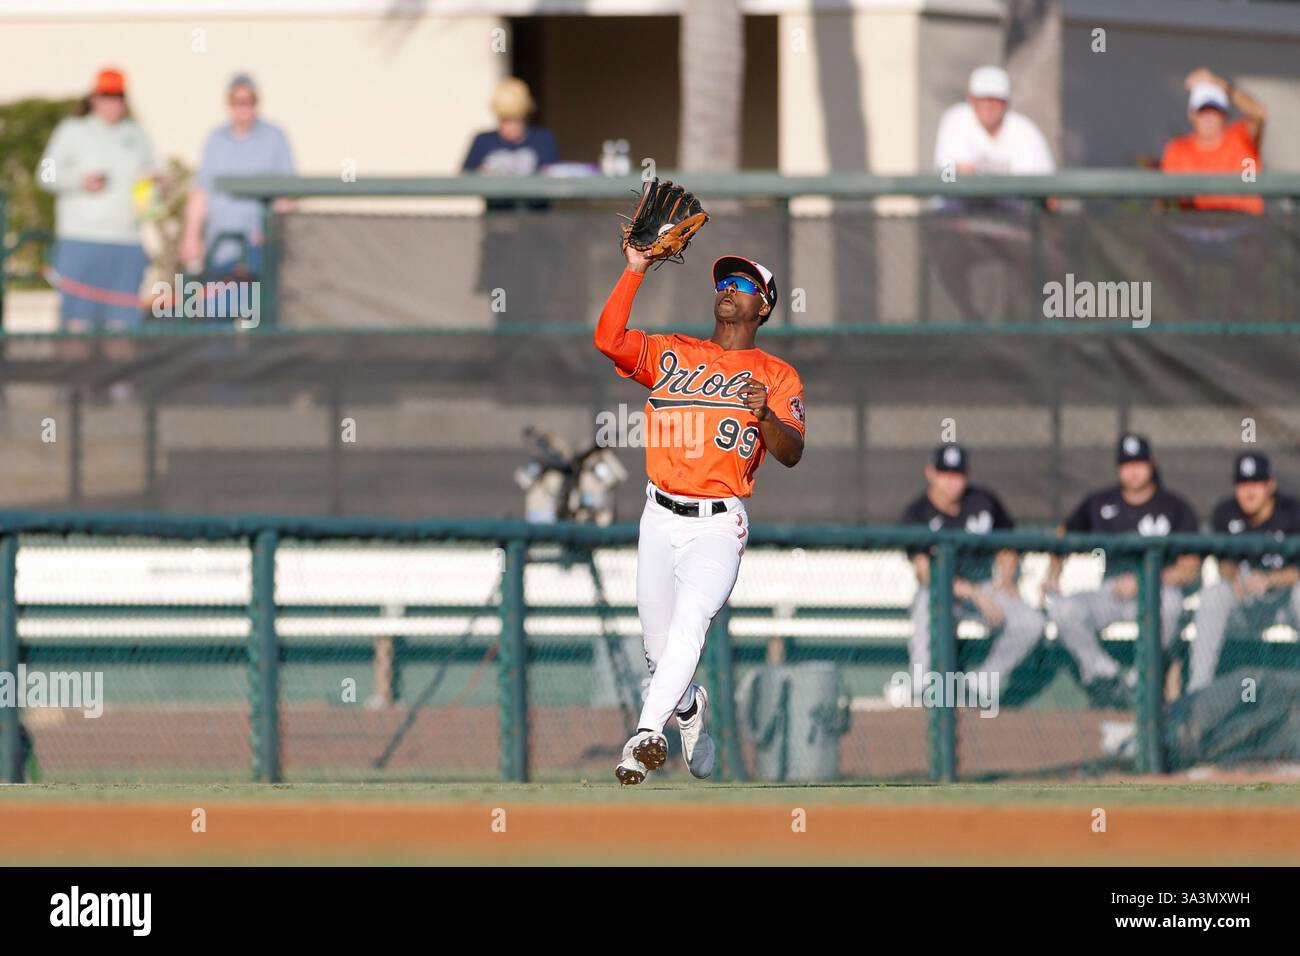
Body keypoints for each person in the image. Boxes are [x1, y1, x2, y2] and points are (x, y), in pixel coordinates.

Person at [593, 249, 805, 785]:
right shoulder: (673, 353)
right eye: (726, 280)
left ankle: (645, 733)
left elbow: (792, 451)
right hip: (657, 515)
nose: (730, 287)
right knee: (657, 647)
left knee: (690, 626)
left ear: (764, 308)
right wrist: (636, 269)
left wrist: (765, 418)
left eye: (745, 284)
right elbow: (608, 339)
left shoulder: (777, 376)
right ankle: (688, 708)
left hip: (717, 521)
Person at [1046, 435, 1201, 708]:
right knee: (1063, 608)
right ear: (1118, 468)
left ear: (1152, 464)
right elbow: (1063, 535)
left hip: (1158, 591)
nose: (1133, 470)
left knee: (1171, 606)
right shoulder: (1100, 502)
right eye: (1126, 464)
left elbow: (1190, 569)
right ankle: (1109, 675)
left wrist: (1144, 581)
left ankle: (1144, 678)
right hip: (1111, 593)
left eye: (1139, 462)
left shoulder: (1174, 506)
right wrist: (1052, 573)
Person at [897, 444, 1043, 698]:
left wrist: (1007, 578)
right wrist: (974, 594)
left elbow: (1008, 545)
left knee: (1032, 622)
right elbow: (925, 573)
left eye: (958, 474)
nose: (951, 482)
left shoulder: (983, 501)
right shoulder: (916, 513)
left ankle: (980, 685)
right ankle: (922, 688)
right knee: (924, 606)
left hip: (986, 585)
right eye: (945, 474)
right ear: (930, 473)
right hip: (943, 590)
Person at [927, 65, 1058, 323]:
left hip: (1009, 222)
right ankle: (968, 322)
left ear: (1006, 103)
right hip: (960, 221)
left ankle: (1029, 329)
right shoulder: (956, 120)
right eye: (982, 98)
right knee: (944, 255)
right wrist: (960, 174)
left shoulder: (1024, 131)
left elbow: (1047, 192)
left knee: (1050, 262)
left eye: (995, 99)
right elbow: (943, 175)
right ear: (970, 100)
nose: (988, 105)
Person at [37, 67, 156, 331]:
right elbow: (44, 174)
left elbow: (148, 194)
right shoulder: (72, 131)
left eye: (118, 96)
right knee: (78, 327)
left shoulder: (136, 135)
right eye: (106, 95)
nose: (112, 102)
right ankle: (75, 375)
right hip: (81, 240)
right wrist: (79, 181)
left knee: (122, 329)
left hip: (126, 242)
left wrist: (156, 193)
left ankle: (120, 374)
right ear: (94, 98)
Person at [1153, 68, 1270, 321]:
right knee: (1157, 244)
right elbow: (1164, 201)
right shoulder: (1178, 150)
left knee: (1257, 246)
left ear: (1224, 114)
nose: (1209, 117)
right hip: (1194, 226)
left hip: (1241, 226)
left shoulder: (1241, 138)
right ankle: (1191, 318)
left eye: (1215, 109)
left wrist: (1218, 82)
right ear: (1191, 115)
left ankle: (1234, 319)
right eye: (1203, 110)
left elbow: (1259, 114)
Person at [1188, 453, 1300, 693]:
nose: (1249, 492)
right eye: (1243, 484)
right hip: (1245, 603)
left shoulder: (1293, 512)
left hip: (1284, 603)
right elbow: (1224, 562)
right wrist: (1235, 579)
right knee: (1214, 595)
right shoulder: (1226, 513)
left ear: (1271, 485)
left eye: (1256, 484)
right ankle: (1198, 691)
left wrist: (1270, 580)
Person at [180, 73, 296, 276]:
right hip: (219, 250)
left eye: (248, 101)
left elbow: (286, 196)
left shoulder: (274, 138)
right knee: (214, 306)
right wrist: (191, 238)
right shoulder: (215, 139)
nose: (242, 107)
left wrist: (271, 232)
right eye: (237, 101)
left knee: (254, 305)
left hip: (257, 252)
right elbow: (201, 192)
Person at [461, 77, 558, 180]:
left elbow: (552, 179)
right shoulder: (483, 141)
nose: (507, 127)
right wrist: (480, 173)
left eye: (513, 119)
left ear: (524, 116)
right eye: (503, 120)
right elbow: (465, 177)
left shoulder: (543, 140)